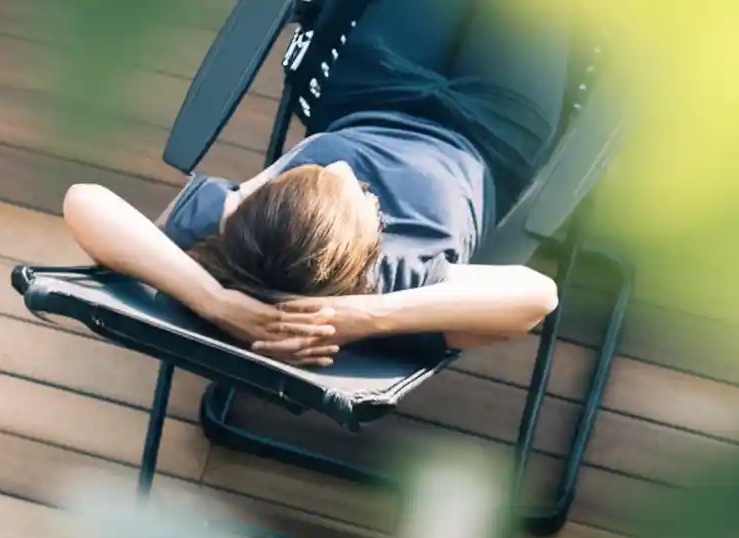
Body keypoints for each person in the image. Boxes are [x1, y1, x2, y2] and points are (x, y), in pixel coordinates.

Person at [63, 0, 568, 367]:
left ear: (253, 197)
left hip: (370, 89)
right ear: (370, 248)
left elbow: (84, 202)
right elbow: (537, 296)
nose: (345, 167)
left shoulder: (244, 232)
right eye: (364, 196)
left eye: (319, 168)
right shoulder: (401, 280)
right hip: (492, 128)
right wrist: (365, 317)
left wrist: (213, 300)